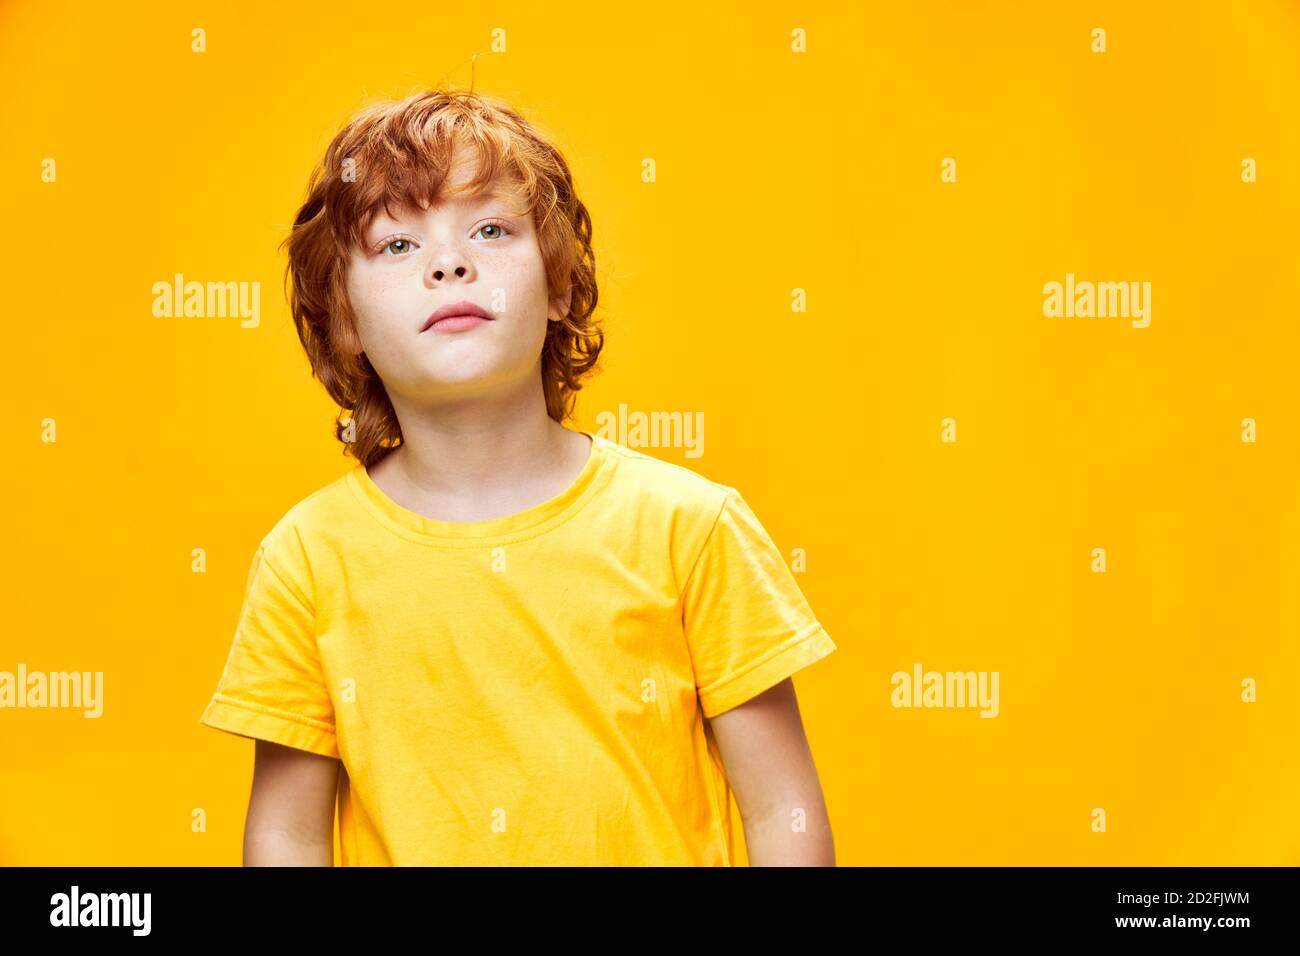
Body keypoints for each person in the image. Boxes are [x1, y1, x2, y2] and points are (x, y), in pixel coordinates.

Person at [199, 87, 838, 865]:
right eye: (398, 245)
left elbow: (783, 812)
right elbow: (286, 833)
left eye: (491, 228)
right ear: (345, 323)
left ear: (560, 285)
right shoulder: (306, 559)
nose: (450, 262)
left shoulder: (689, 526)